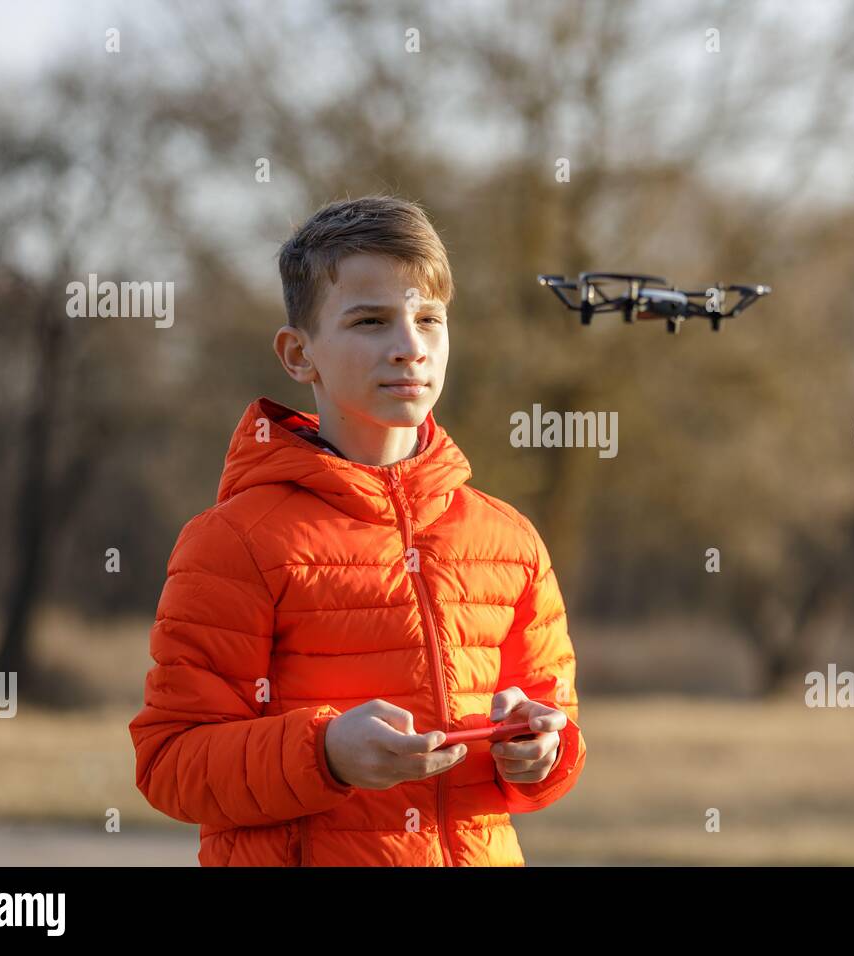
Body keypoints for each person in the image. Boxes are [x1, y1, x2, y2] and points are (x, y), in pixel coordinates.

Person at [128, 195, 585, 866]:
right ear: (297, 354)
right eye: (371, 321)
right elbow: (171, 762)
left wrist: (541, 751)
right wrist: (326, 754)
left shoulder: (509, 541)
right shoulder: (235, 540)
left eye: (430, 319)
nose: (409, 348)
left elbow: (557, 738)